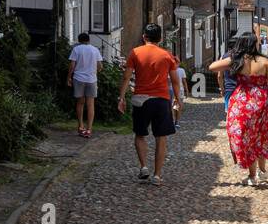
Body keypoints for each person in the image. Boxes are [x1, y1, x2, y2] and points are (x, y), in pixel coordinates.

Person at [117, 24, 184, 186]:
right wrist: (177, 99)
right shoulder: (167, 56)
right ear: (160, 38)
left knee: (140, 135)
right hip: (161, 100)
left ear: (144, 37)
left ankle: (144, 167)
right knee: (161, 138)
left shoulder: (135, 53)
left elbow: (126, 77)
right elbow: (175, 80)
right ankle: (157, 175)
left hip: (141, 99)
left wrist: (121, 97)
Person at [225, 33, 268, 187]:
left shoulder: (238, 61)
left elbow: (212, 67)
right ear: (254, 45)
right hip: (262, 102)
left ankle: (252, 176)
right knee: (262, 135)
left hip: (243, 102)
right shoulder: (265, 62)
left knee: (248, 138)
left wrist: (232, 58)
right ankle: (263, 171)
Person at [67, 33, 102, 138]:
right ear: (89, 40)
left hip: (78, 78)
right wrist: (95, 72)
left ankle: (80, 126)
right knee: (90, 104)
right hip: (91, 79)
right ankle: (89, 129)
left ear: (79, 40)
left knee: (80, 103)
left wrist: (69, 77)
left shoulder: (76, 50)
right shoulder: (95, 50)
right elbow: (100, 66)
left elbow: (72, 65)